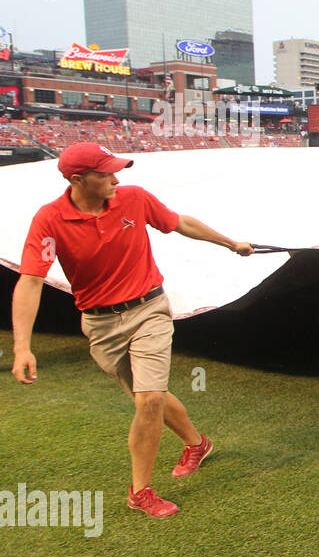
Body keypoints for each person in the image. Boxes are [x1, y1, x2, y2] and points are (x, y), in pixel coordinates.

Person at [10, 142, 255, 518]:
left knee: (149, 399)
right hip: (100, 324)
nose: (115, 178)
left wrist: (229, 243)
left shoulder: (134, 199)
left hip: (149, 309)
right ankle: (197, 443)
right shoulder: (49, 219)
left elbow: (179, 222)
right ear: (78, 180)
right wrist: (22, 348)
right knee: (148, 395)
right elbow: (30, 282)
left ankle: (139, 491)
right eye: (105, 173)